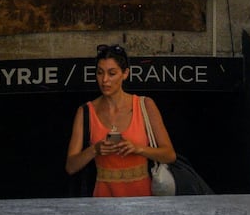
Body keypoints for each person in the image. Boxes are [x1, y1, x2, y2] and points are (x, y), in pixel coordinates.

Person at [64, 44, 174, 197]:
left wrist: (138, 149)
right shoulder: (85, 111)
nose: (104, 80)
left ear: (125, 73)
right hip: (103, 200)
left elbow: (169, 154)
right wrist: (95, 150)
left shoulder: (145, 105)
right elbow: (71, 166)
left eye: (112, 73)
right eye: (100, 73)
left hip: (143, 200)